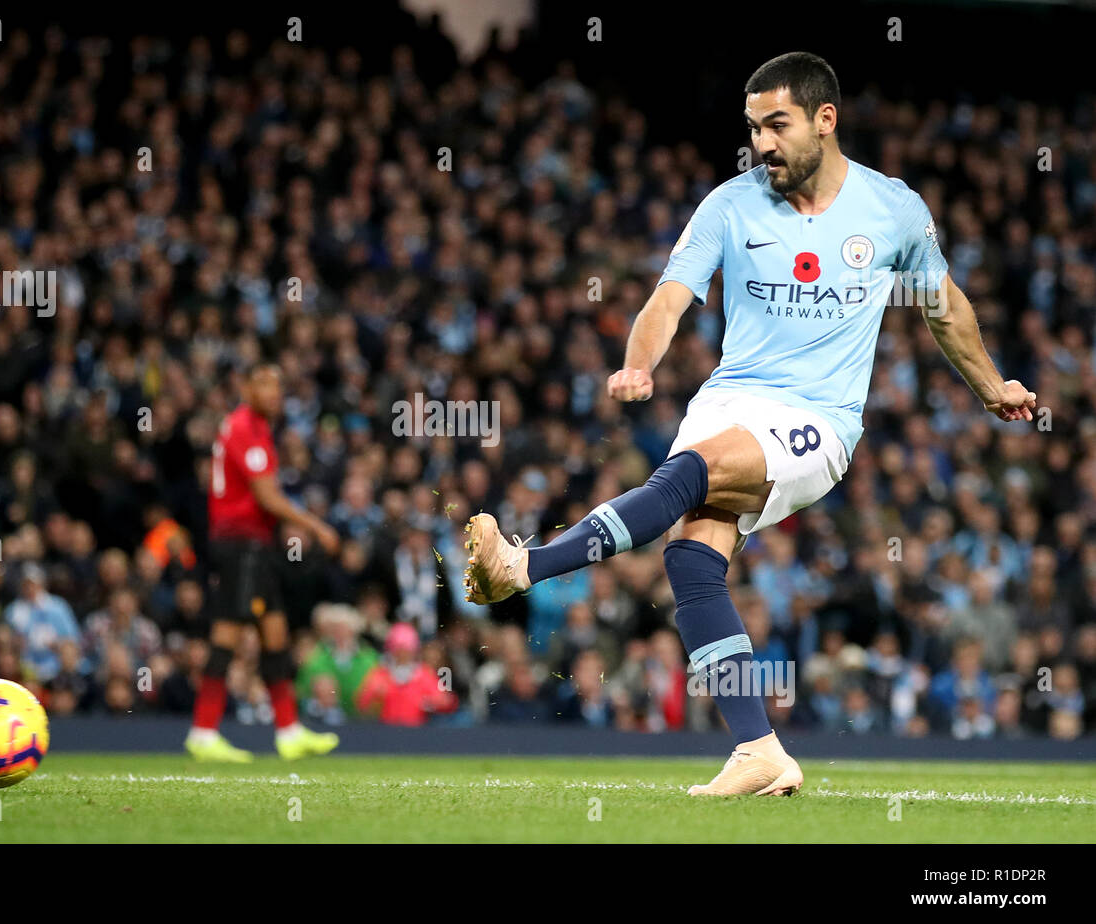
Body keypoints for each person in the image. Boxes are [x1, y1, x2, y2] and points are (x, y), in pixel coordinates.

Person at [463, 52, 1037, 796]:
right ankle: (758, 748)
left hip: (818, 421)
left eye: (777, 124)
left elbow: (944, 305)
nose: (761, 143)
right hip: (730, 396)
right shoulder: (730, 205)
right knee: (692, 559)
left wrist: (992, 385)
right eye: (752, 127)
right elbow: (667, 298)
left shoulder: (892, 209)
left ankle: (525, 566)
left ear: (825, 120)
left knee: (693, 472)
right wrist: (640, 363)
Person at [186, 362, 343, 762]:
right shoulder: (245, 428)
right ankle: (203, 732)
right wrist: (316, 526)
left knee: (275, 633)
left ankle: (289, 732)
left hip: (253, 544)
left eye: (278, 387)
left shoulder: (253, 427)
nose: (273, 394)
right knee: (227, 634)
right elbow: (267, 497)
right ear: (247, 388)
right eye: (264, 385)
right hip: (240, 543)